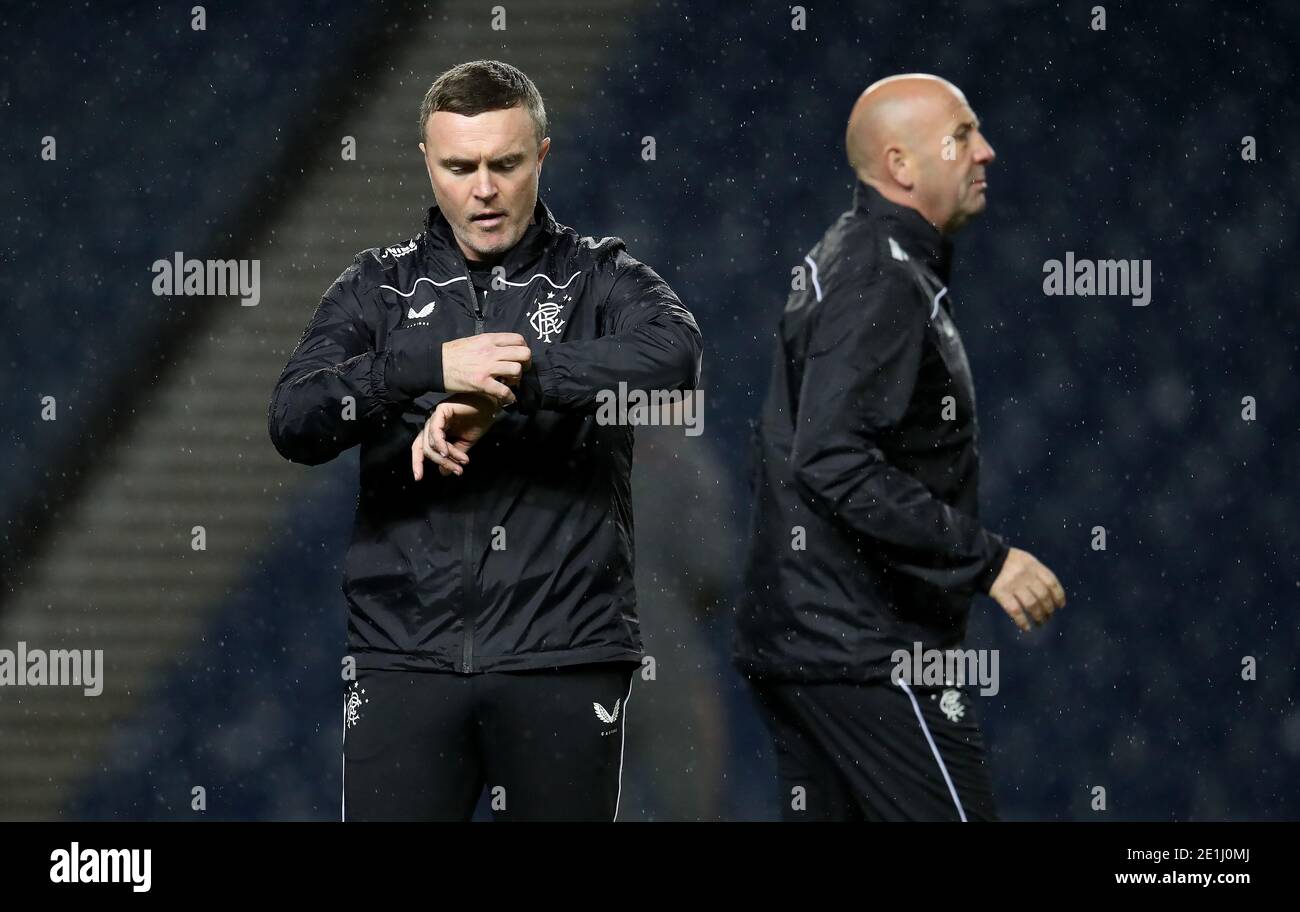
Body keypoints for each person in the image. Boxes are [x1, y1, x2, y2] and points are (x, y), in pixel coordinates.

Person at [267, 59, 702, 821]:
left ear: (542, 156)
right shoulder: (377, 288)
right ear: (427, 163)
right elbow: (295, 418)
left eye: (505, 163)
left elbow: (675, 360)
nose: (484, 189)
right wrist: (424, 367)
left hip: (565, 657)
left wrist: (510, 378)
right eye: (459, 166)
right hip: (405, 658)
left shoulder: (599, 277)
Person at [733, 74, 1065, 821]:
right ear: (901, 165)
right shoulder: (879, 273)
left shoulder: (860, 257)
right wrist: (988, 560)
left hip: (815, 640)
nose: (986, 150)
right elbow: (832, 457)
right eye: (961, 135)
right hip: (863, 649)